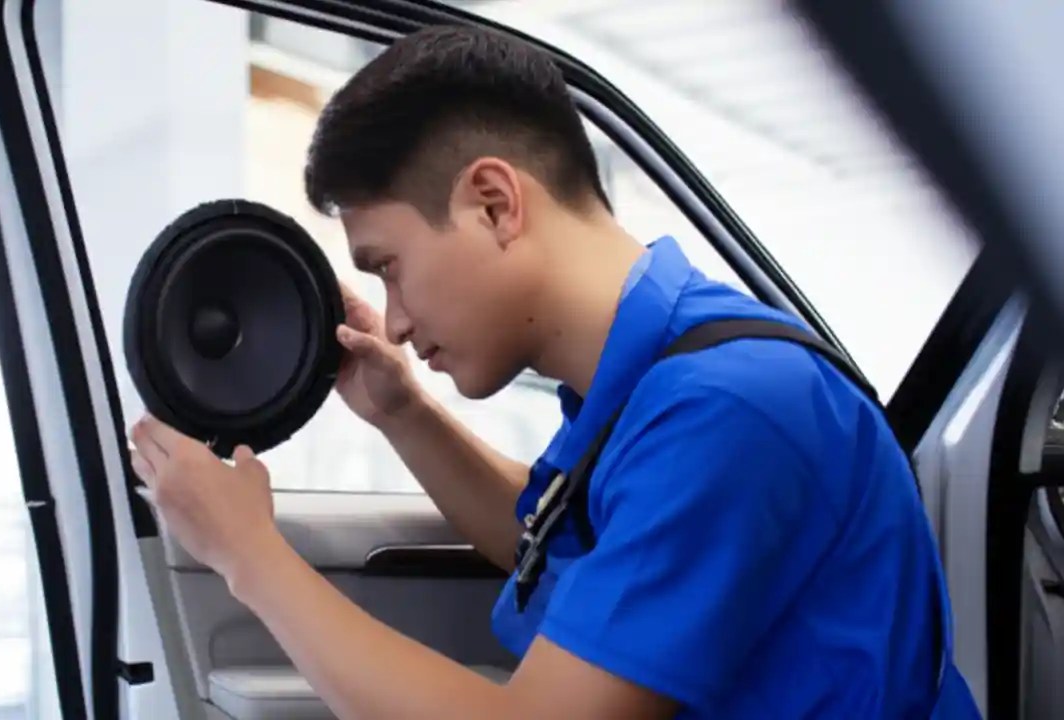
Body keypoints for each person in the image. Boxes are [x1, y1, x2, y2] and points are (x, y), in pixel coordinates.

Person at [128, 24, 980, 719]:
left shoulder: (729, 411)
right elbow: (548, 540)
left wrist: (249, 557)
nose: (392, 316)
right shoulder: (656, 371)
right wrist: (401, 411)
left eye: (389, 265)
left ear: (494, 204)